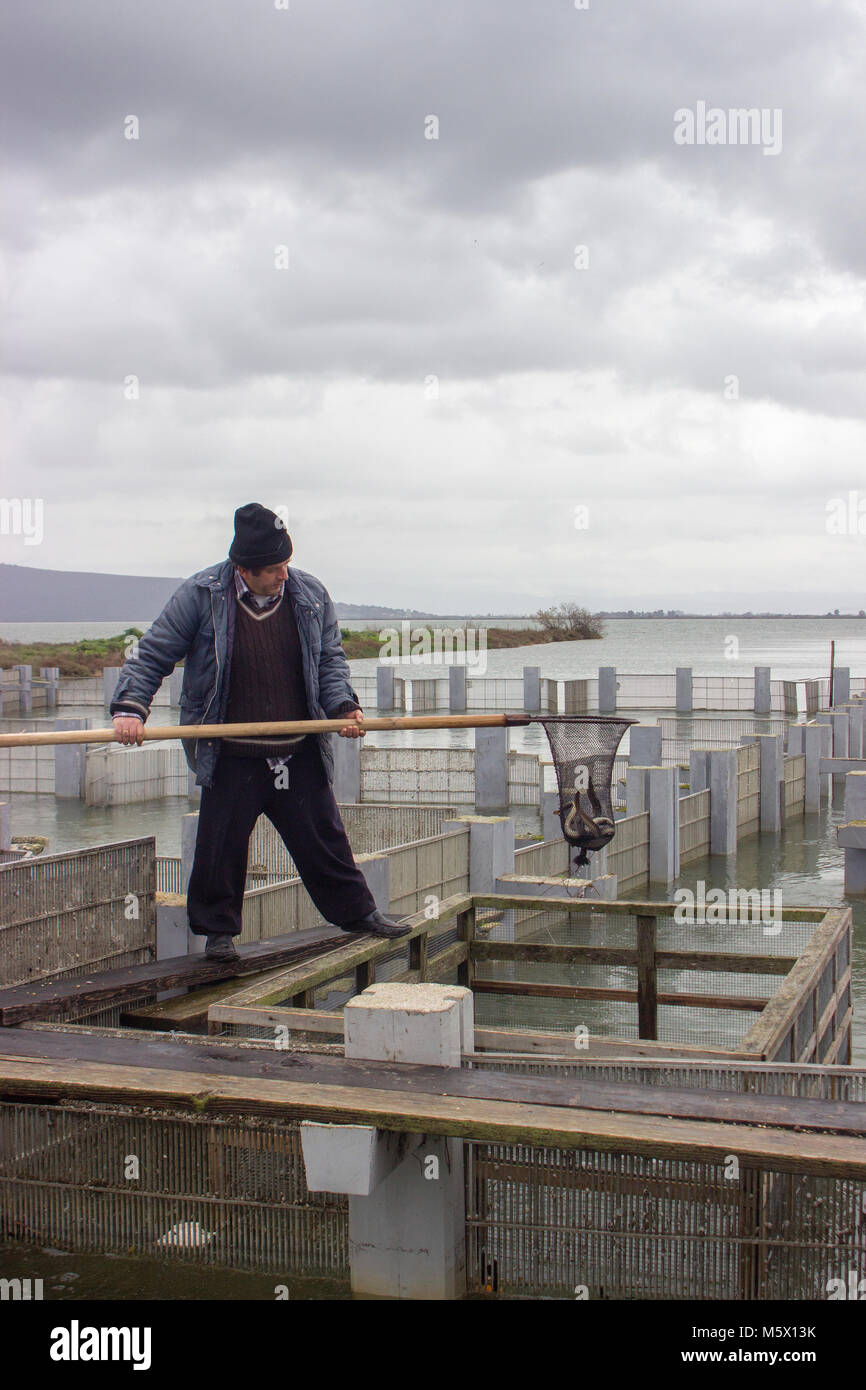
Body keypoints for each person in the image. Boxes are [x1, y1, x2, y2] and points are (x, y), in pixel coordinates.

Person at [110, 502, 410, 960]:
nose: (283, 576)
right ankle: (217, 936)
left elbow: (329, 660)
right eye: (273, 569)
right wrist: (131, 709)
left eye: (286, 564)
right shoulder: (201, 594)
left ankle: (358, 914)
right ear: (244, 570)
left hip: (298, 748)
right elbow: (152, 655)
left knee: (324, 838)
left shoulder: (309, 595)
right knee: (220, 846)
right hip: (231, 749)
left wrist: (343, 707)